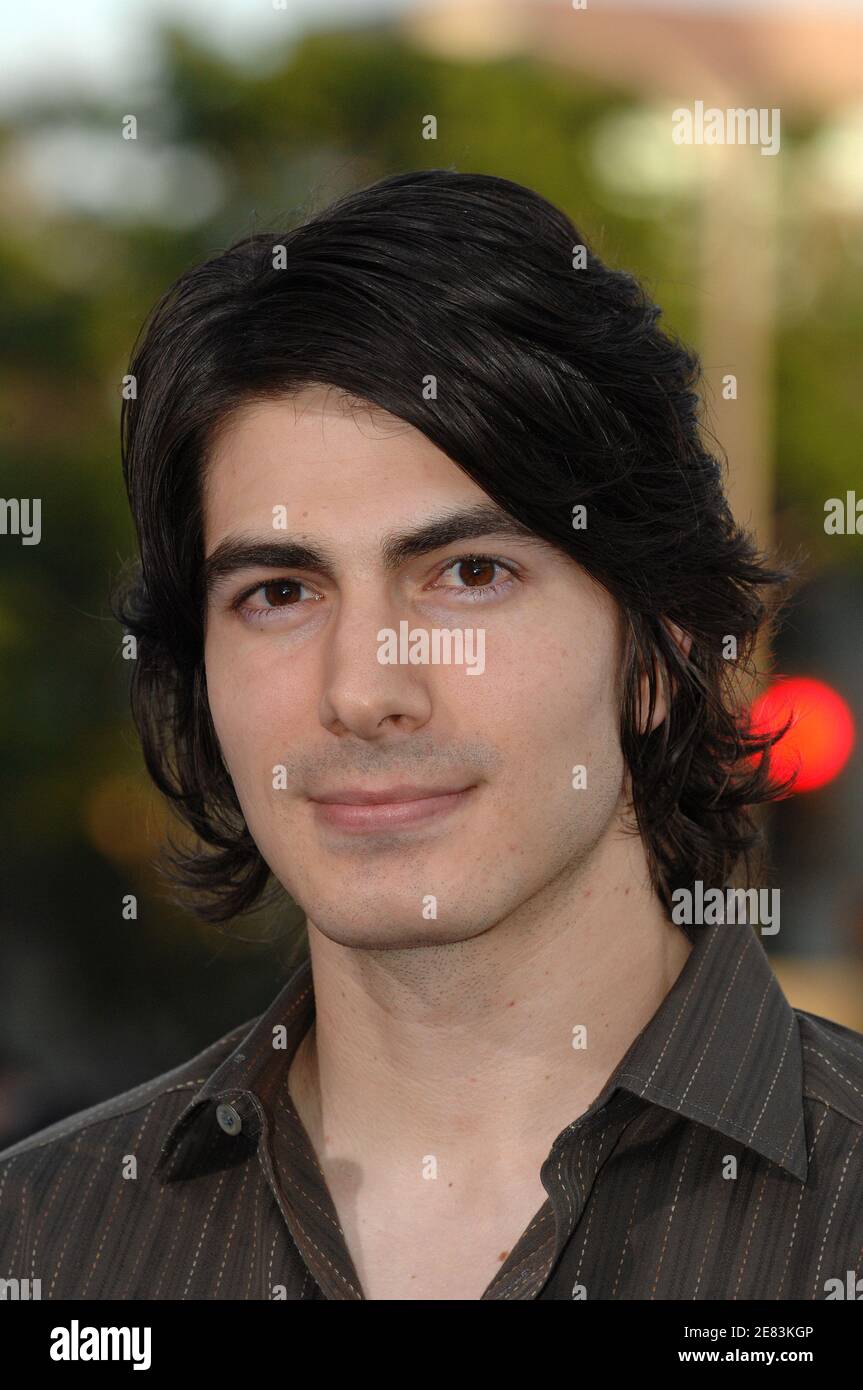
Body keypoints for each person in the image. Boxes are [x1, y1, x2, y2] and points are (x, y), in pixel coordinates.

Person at [1, 169, 861, 1301]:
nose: (363, 689)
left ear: (659, 647)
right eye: (278, 591)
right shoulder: (44, 1247)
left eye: (467, 574)